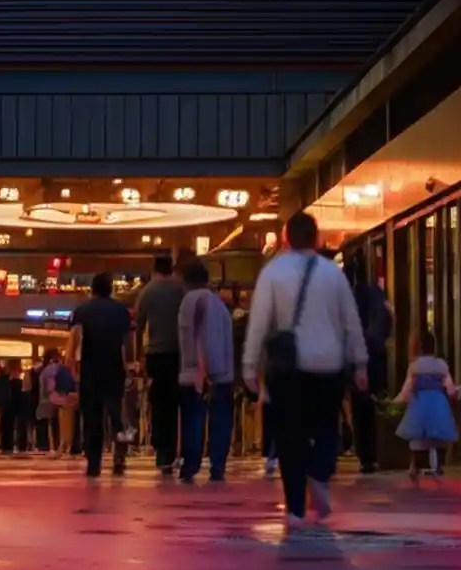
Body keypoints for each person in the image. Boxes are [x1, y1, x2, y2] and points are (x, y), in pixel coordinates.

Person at [243, 211, 368, 529]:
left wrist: (249, 365)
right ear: (315, 237)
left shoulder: (273, 273)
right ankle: (320, 472)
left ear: (285, 238)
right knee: (327, 426)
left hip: (287, 367)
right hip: (328, 363)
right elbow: (350, 320)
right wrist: (360, 362)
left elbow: (259, 321)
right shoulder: (332, 273)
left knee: (289, 435)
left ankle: (296, 507)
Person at [68, 272, 134, 477]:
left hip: (90, 370)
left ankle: (94, 463)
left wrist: (72, 369)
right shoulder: (121, 311)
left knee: (92, 417)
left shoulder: (82, 312)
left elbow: (74, 342)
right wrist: (128, 367)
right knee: (115, 414)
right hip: (114, 369)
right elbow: (126, 343)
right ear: (111, 289)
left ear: (92, 290)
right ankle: (119, 456)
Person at [177, 260, 235, 483]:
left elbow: (198, 338)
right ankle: (217, 465)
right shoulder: (216, 303)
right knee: (220, 421)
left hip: (196, 373)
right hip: (221, 372)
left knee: (193, 420)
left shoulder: (189, 302)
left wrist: (203, 369)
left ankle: (191, 465)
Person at [343, 250, 393, 474]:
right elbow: (387, 321)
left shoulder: (350, 296)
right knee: (374, 404)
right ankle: (375, 452)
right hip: (375, 356)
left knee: (360, 405)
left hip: (355, 357)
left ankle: (365, 454)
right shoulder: (378, 294)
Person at [135, 255, 185, 475]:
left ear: (154, 269)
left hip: (156, 353)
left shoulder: (147, 291)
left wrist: (140, 357)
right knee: (175, 402)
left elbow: (138, 326)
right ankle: (174, 450)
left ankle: (161, 450)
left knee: (158, 401)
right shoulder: (181, 289)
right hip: (179, 353)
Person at [396, 329, 461, 483]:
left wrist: (398, 400)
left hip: (419, 403)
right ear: (434, 347)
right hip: (438, 402)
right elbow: (450, 387)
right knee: (438, 435)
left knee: (416, 436)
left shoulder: (415, 366)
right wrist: (457, 392)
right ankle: (437, 465)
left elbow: (408, 388)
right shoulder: (441, 365)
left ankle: (415, 466)